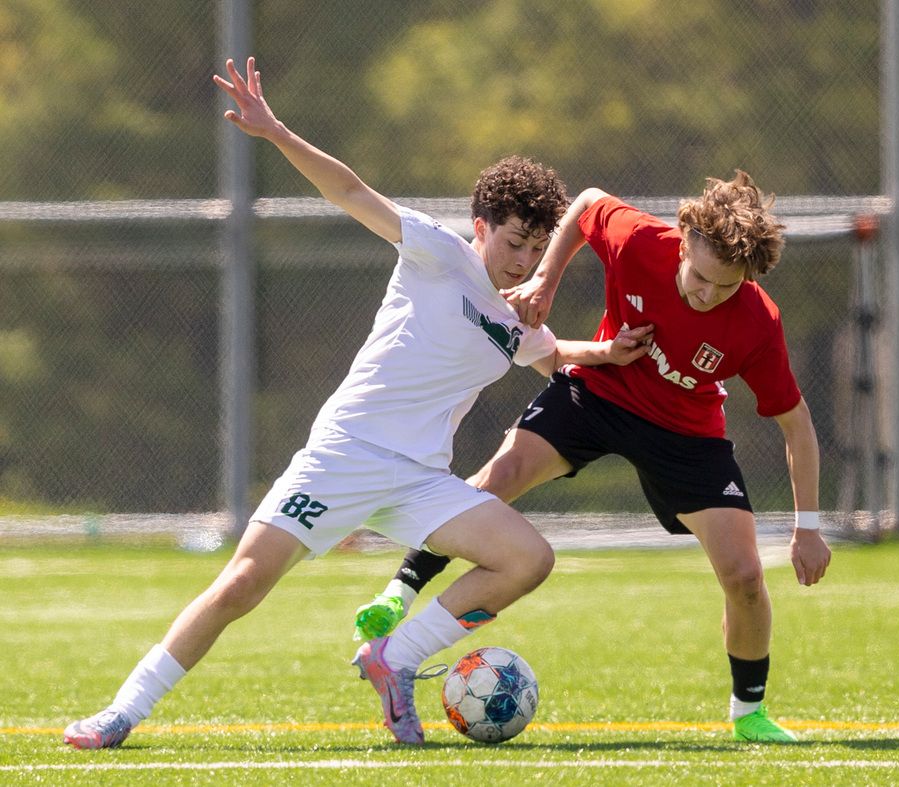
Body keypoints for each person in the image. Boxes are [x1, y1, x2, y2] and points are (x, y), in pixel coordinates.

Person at [61, 57, 654, 750]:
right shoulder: (436, 252)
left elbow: (549, 356)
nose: (522, 260)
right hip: (346, 454)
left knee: (526, 558)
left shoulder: (520, 315)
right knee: (242, 584)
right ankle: (122, 711)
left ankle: (393, 660)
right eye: (513, 242)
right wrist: (276, 131)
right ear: (479, 225)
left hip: (421, 480)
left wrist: (604, 354)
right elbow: (348, 189)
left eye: (535, 247)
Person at [354, 171, 833, 743]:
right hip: (600, 390)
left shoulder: (758, 321)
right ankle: (397, 594)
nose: (707, 294)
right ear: (682, 242)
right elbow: (585, 205)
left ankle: (749, 713)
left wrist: (808, 528)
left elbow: (796, 424)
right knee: (493, 481)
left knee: (746, 577)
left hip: (686, 432)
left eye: (724, 288)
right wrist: (545, 283)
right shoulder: (637, 240)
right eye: (699, 276)